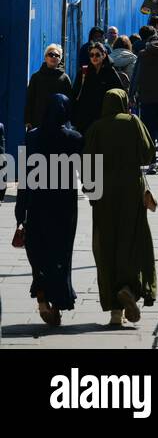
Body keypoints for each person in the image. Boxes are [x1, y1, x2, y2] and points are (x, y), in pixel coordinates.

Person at [84, 89, 156, 327]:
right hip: (130, 193)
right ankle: (128, 288)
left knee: (106, 248)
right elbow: (147, 155)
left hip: (103, 196)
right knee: (132, 242)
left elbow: (87, 166)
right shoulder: (133, 123)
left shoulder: (96, 128)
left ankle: (115, 312)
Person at [14, 93, 82, 326]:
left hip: (37, 205)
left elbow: (24, 176)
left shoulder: (32, 137)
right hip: (63, 207)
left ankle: (42, 293)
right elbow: (89, 175)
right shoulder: (74, 138)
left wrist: (19, 214)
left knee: (39, 251)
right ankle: (56, 303)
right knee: (60, 254)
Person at [131, 29, 158, 173]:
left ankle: (152, 162)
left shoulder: (143, 54)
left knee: (149, 131)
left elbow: (136, 77)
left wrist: (131, 95)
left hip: (147, 99)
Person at [71, 41, 129, 136]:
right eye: (91, 55)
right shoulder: (83, 72)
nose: (94, 57)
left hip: (104, 116)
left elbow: (119, 92)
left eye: (97, 55)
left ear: (104, 55)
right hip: (85, 116)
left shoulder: (110, 72)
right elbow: (75, 93)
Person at [24, 44, 74, 132]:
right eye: (51, 54)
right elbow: (30, 99)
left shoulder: (64, 78)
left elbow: (69, 101)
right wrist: (28, 120)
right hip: (38, 122)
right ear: (45, 58)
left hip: (58, 124)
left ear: (60, 59)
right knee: (31, 145)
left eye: (56, 55)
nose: (53, 57)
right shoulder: (36, 77)